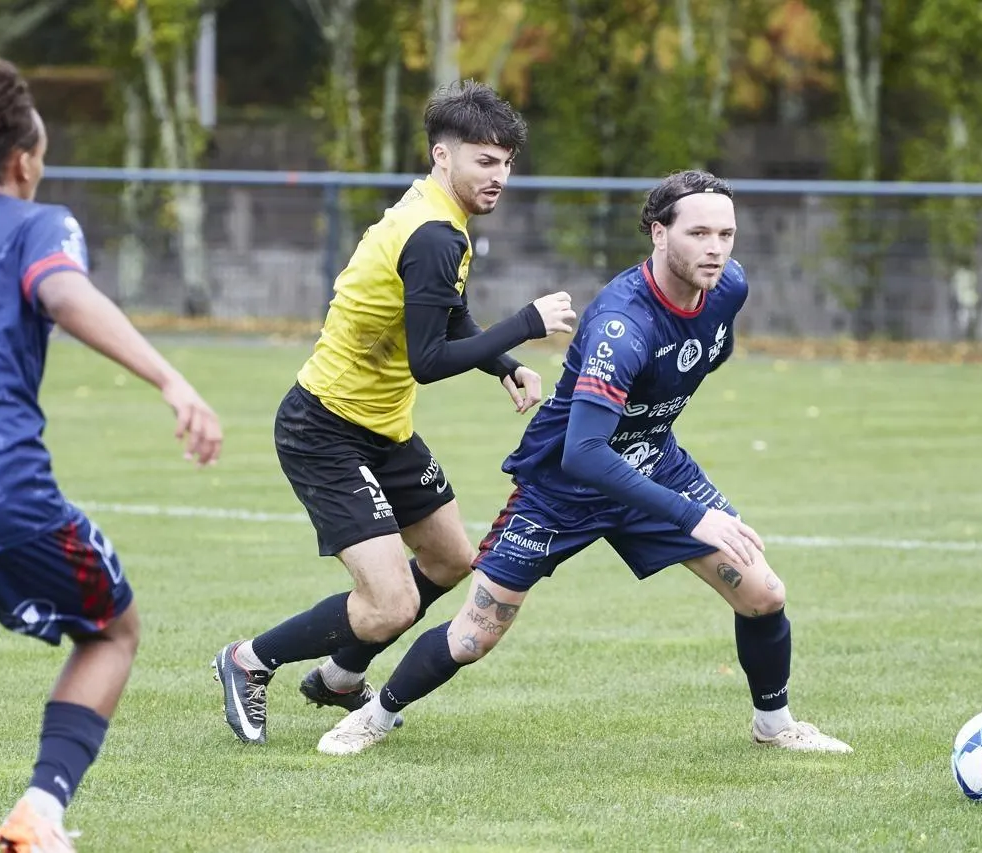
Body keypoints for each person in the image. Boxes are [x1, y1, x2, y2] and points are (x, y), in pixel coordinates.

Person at [316, 170, 852, 756]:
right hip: (564, 486)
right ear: (658, 234)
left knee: (764, 593)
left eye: (726, 234)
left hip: (652, 462)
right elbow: (585, 452)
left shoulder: (729, 288)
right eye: (699, 233)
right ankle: (375, 716)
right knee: (474, 636)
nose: (716, 248)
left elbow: (695, 360)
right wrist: (694, 517)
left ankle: (775, 725)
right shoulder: (621, 327)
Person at [0, 59, 224, 852]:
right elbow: (63, 292)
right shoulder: (33, 224)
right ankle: (39, 812)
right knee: (113, 630)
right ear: (22, 160)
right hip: (5, 493)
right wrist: (170, 378)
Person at [213, 79, 575, 745]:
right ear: (444, 155)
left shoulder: (437, 214)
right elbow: (429, 361)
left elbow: (441, 310)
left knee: (448, 560)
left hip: (383, 427)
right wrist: (525, 324)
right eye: (484, 160)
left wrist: (503, 363)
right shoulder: (435, 231)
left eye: (506, 162)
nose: (499, 176)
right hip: (323, 427)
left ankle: (342, 676)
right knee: (390, 604)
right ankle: (248, 660)